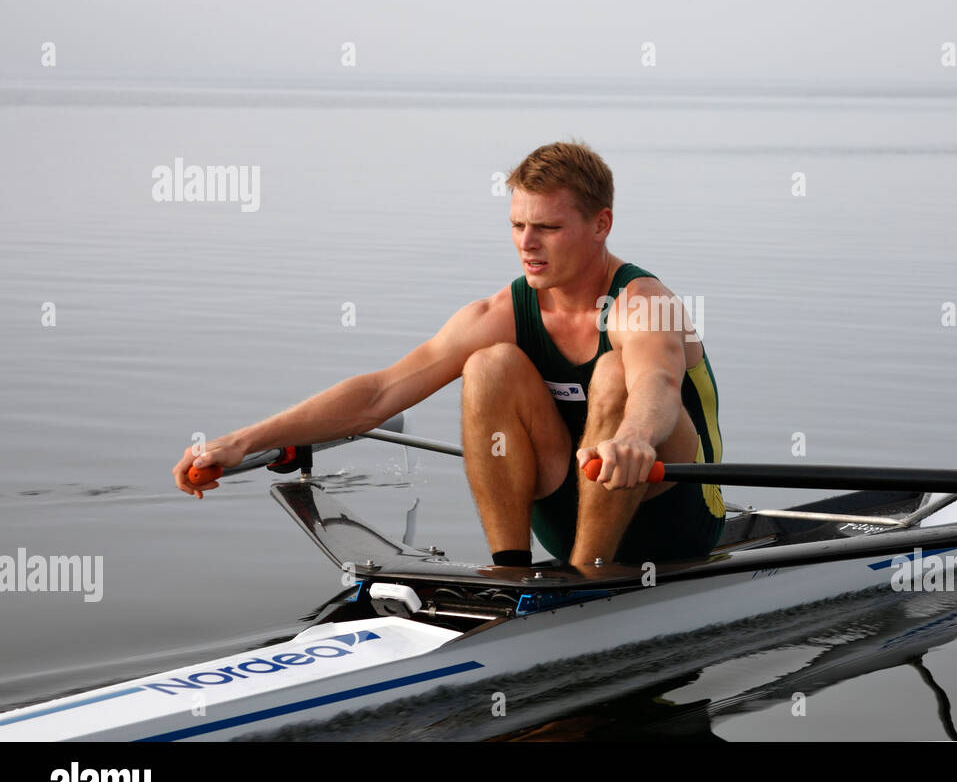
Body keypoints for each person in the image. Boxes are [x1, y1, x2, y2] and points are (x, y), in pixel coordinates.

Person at [172, 140, 724, 569]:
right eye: (518, 226)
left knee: (614, 371)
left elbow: (657, 383)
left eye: (548, 229)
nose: (527, 244)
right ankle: (511, 570)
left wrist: (630, 438)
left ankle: (586, 578)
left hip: (672, 514)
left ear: (600, 224)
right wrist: (242, 440)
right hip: (566, 506)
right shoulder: (502, 311)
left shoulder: (644, 303)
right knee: (488, 364)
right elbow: (380, 394)